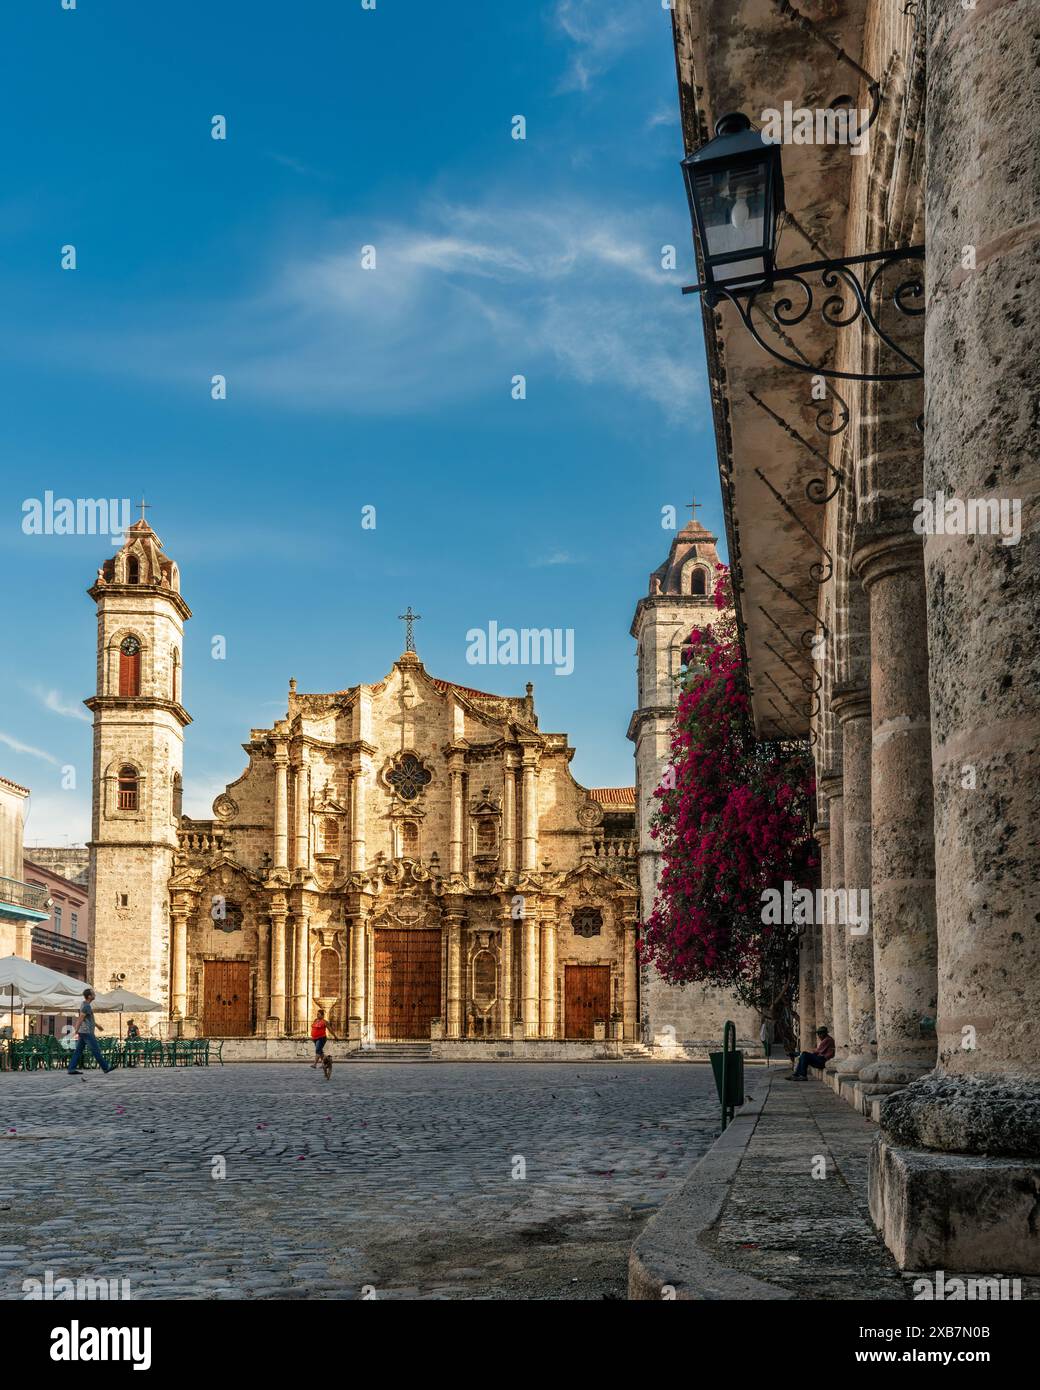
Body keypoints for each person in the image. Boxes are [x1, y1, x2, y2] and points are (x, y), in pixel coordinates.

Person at [67, 989, 112, 1076]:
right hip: (87, 1032)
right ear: (89, 996)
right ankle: (105, 1067)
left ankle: (71, 1068)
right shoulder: (86, 1006)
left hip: (83, 1032)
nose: (95, 995)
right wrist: (75, 1030)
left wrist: (97, 1026)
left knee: (78, 1051)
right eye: (93, 994)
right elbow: (81, 1018)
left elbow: (88, 1019)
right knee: (96, 1050)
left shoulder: (85, 1004)